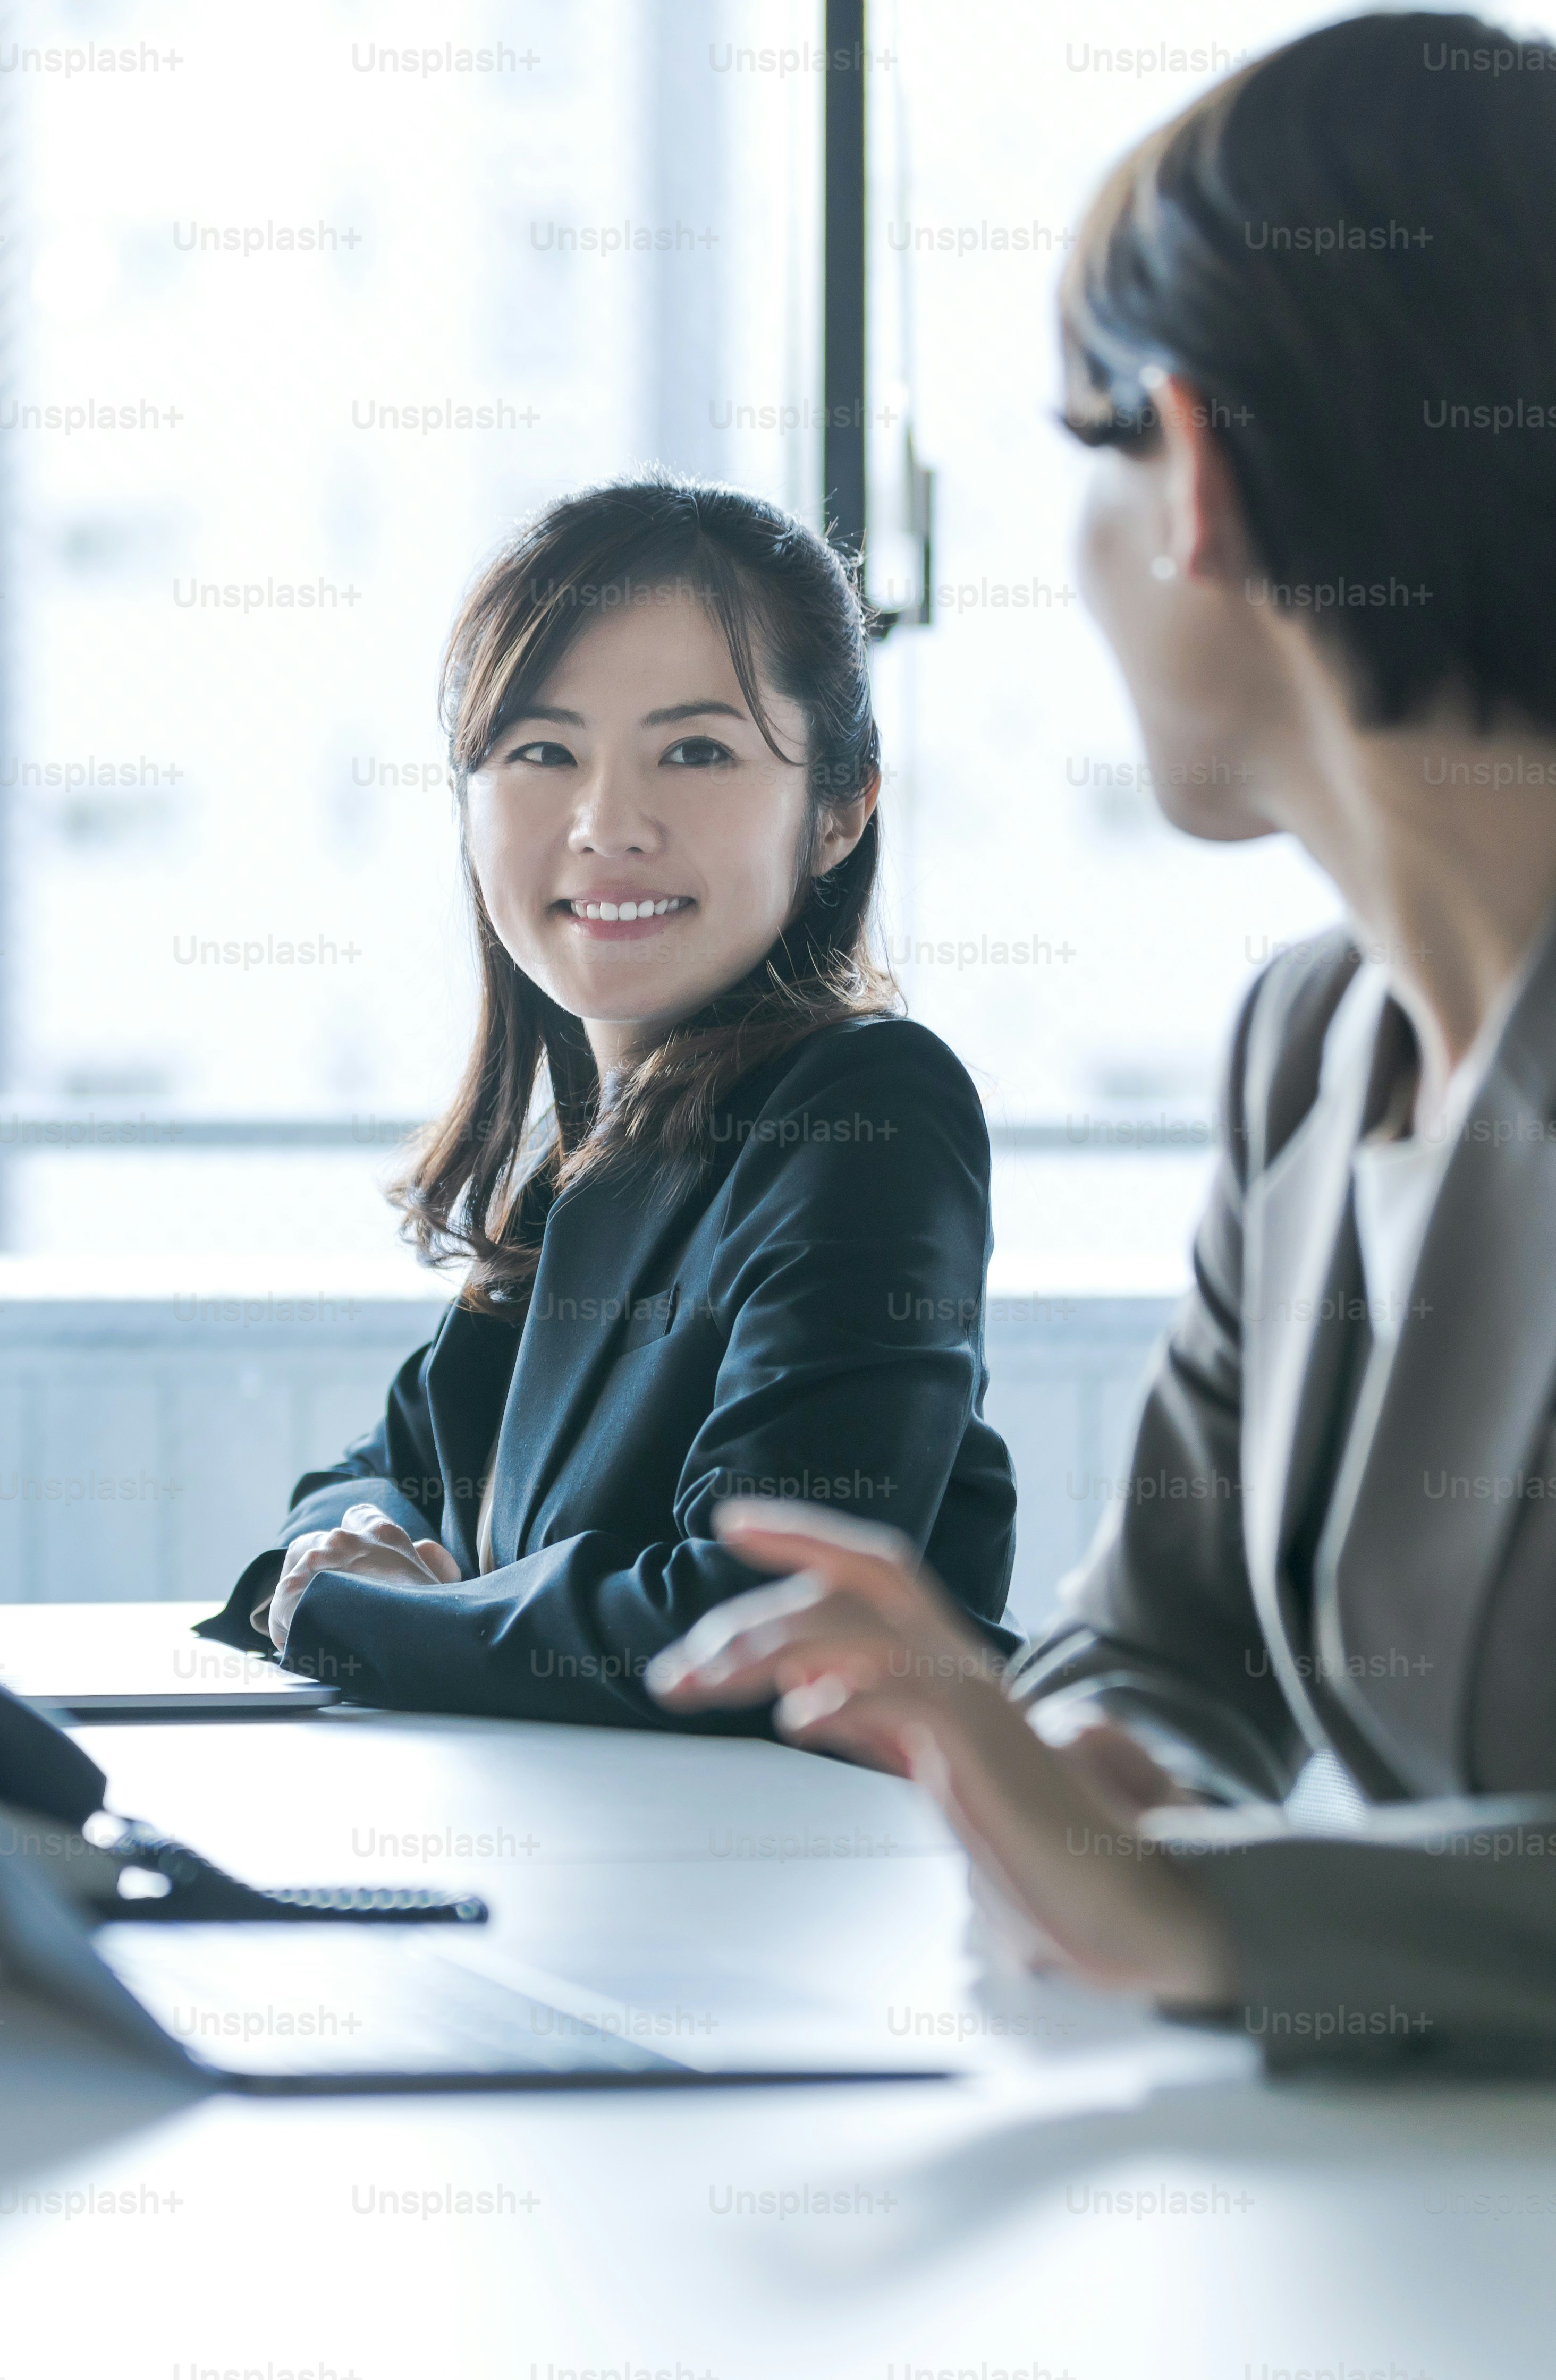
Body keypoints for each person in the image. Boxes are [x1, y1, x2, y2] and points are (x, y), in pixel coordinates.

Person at [653, 10, 1556, 2110]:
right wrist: (1079, 1770)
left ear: (1196, 470)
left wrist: (1221, 1912)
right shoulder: (1314, 1046)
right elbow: (1174, 1635)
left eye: (1090, 447)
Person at [199, 477, 1015, 1726]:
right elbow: (373, 1481)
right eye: (543, 752)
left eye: (696, 750)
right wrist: (356, 1569)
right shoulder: (590, 1160)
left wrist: (367, 1613)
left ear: (842, 807)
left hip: (796, 1898)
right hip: (588, 1867)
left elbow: (765, 1622)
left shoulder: (869, 1111)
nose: (606, 823)